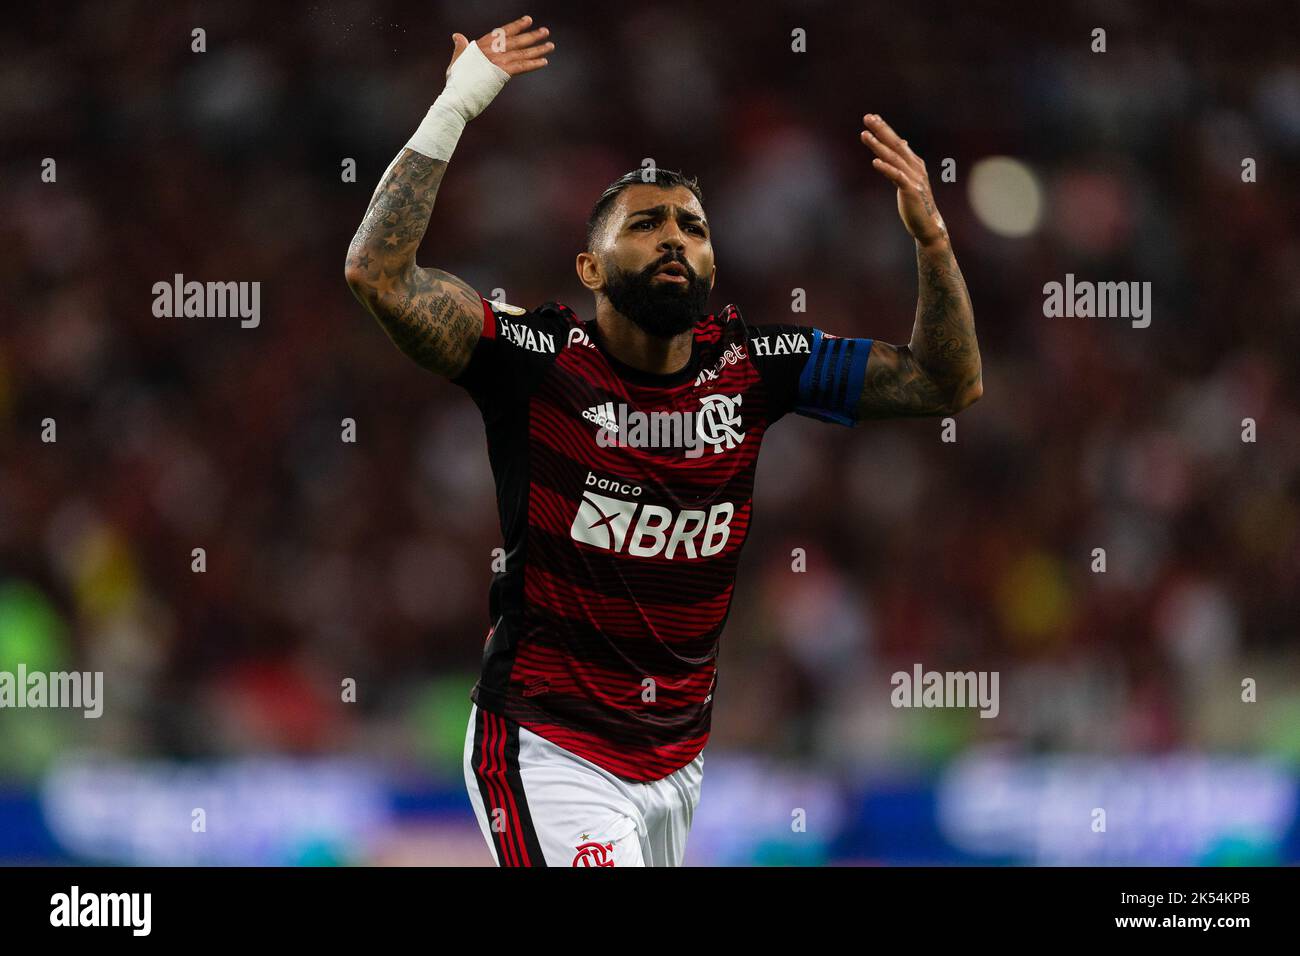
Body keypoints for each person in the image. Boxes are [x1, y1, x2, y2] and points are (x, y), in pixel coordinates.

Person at [344, 14, 981, 867]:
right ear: (590, 268)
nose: (674, 236)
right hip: (547, 744)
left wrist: (933, 244)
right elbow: (376, 274)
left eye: (691, 225)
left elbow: (948, 383)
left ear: (714, 265)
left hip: (676, 764)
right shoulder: (537, 361)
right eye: (645, 224)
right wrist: (456, 106)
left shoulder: (758, 367)